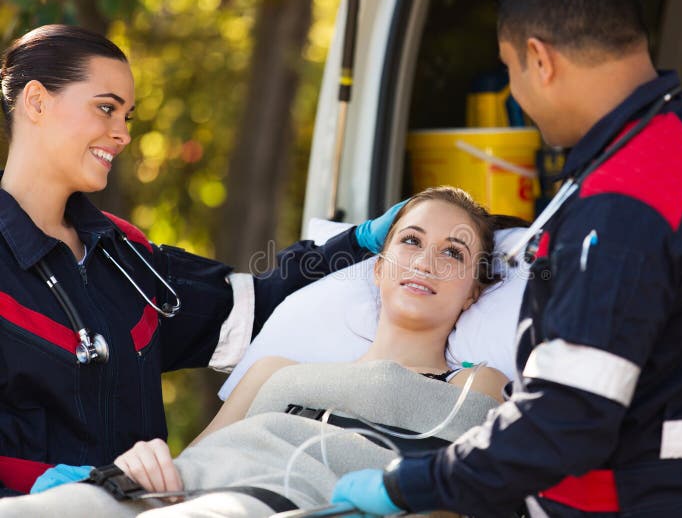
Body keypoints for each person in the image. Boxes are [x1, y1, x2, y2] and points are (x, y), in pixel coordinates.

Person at [332, 0, 682, 517]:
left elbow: (568, 420)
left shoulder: (624, 202)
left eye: (511, 70)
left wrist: (411, 486)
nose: (516, 95)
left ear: (539, 60)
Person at [0, 24, 403, 496]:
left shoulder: (123, 252)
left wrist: (361, 241)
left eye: (128, 117)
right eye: (106, 108)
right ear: (36, 102)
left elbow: (253, 306)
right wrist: (39, 486)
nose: (123, 134)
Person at [0, 186, 511, 517]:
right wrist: (140, 462)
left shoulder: (476, 384)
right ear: (377, 266)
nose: (425, 262)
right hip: (161, 496)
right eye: (411, 241)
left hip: (267, 504)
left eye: (453, 252)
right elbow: (191, 464)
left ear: (473, 291)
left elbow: (458, 496)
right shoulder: (273, 370)